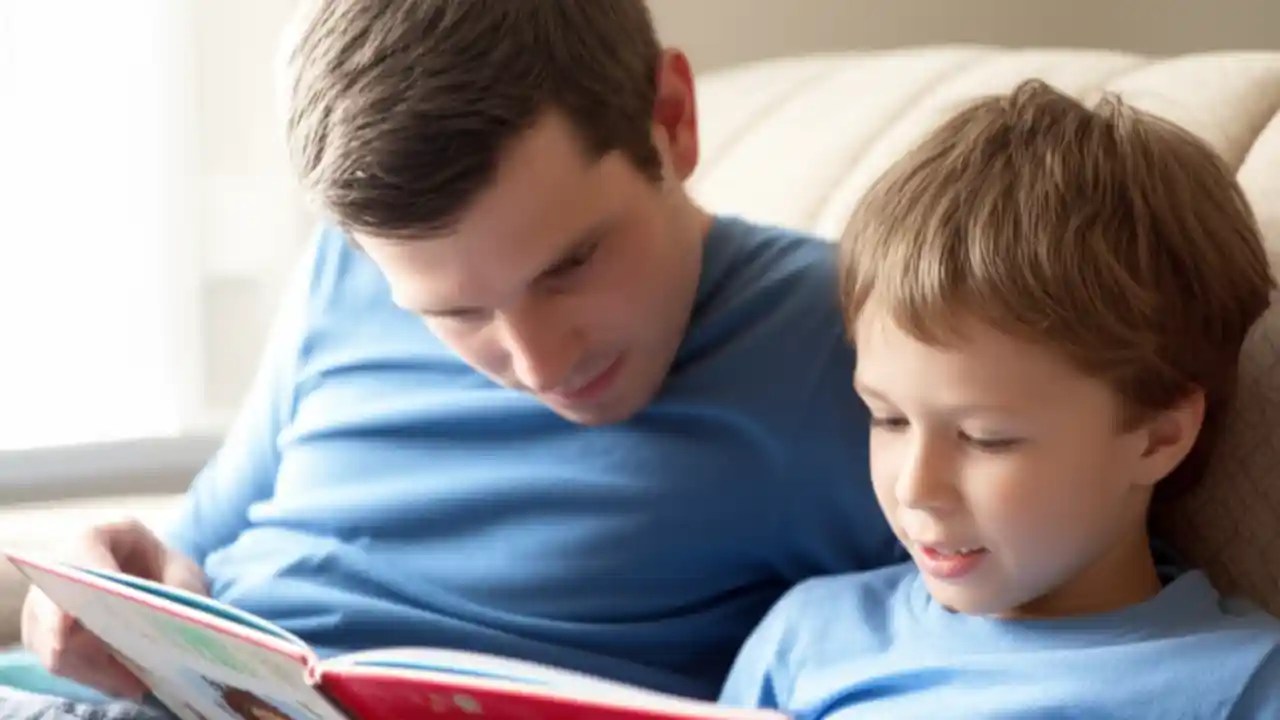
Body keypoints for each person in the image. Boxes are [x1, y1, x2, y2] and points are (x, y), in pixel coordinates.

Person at [2, 1, 903, 718]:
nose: (538, 361)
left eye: (570, 264)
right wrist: (101, 599)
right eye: (455, 311)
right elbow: (195, 553)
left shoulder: (851, 346)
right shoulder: (342, 272)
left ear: (671, 121)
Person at [718, 79, 1280, 718]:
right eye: (889, 418)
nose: (915, 488)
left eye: (987, 438)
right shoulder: (809, 639)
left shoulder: (1242, 684)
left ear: (1158, 435)